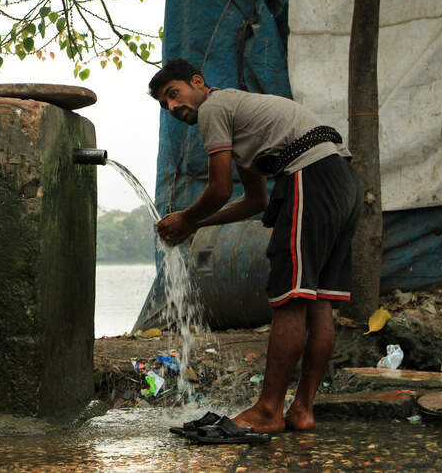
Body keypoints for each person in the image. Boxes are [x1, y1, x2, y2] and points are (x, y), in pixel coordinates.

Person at [150, 58, 362, 433]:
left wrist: (186, 218)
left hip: (309, 177)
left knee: (291, 298)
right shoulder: (241, 115)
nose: (172, 107)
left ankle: (267, 411)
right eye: (164, 105)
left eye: (173, 94)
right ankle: (301, 410)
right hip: (343, 181)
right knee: (320, 302)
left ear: (198, 82)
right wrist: (195, 223)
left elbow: (218, 190)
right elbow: (254, 201)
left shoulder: (213, 108)